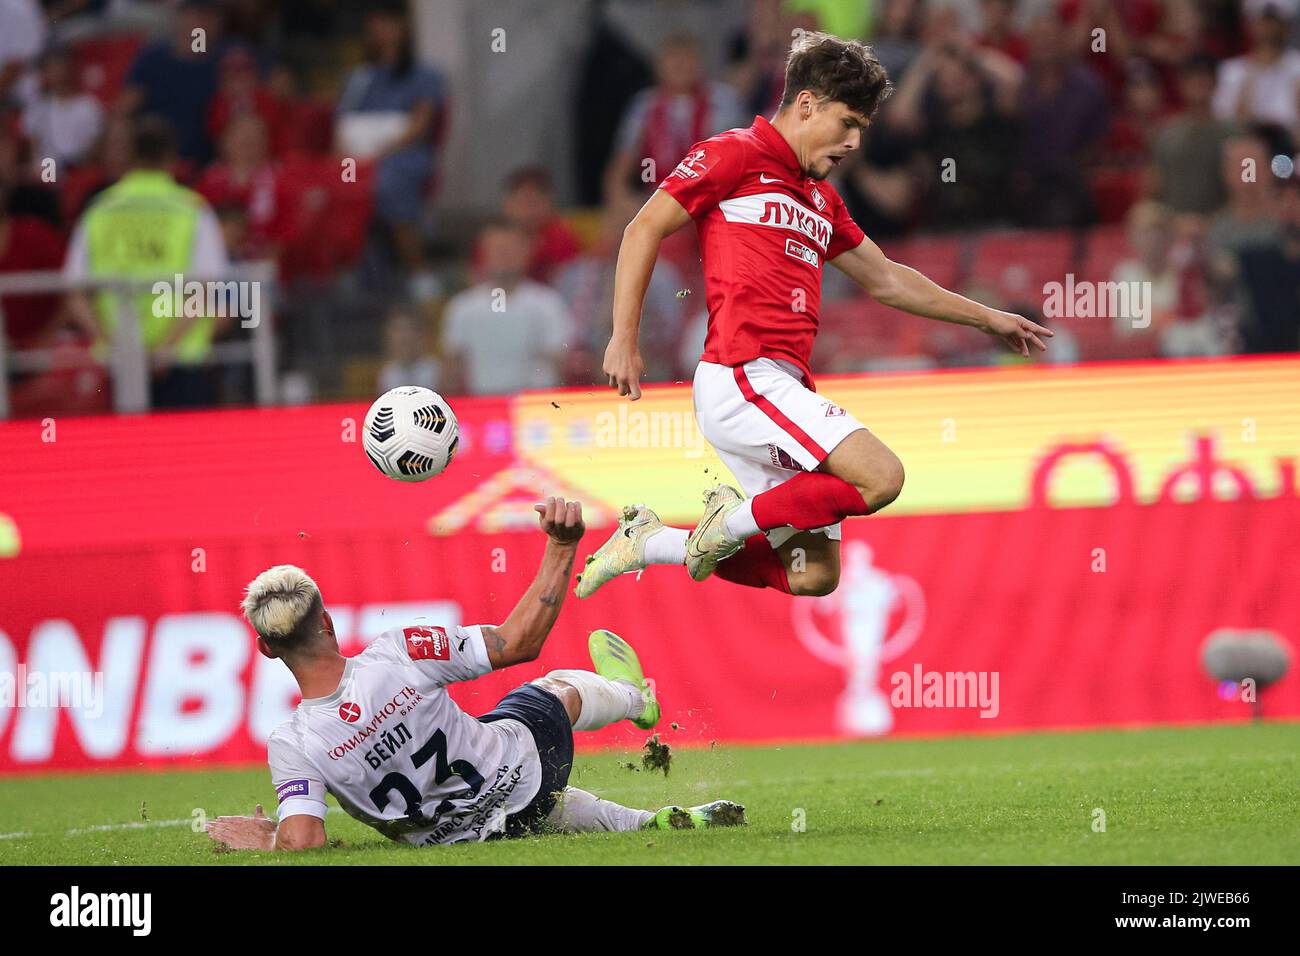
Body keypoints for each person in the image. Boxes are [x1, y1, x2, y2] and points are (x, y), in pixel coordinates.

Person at [579, 31, 1050, 601]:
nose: (853, 141)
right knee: (882, 477)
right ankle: (724, 524)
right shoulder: (733, 153)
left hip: (783, 385)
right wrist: (622, 339)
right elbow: (642, 228)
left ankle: (653, 542)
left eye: (862, 130)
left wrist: (987, 318)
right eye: (847, 122)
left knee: (812, 574)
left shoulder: (821, 199)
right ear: (806, 104)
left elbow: (889, 279)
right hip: (741, 375)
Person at [205, 497, 744, 851]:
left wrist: (268, 839)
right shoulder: (399, 651)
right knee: (549, 690)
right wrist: (561, 545)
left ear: (267, 649)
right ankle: (633, 700)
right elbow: (519, 641)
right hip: (525, 777)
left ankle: (643, 819)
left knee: (522, 794)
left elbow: (305, 840)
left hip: (455, 841)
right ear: (326, 620)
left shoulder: (293, 742)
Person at [63, 116, 231, 408]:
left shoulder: (99, 210)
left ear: (129, 155)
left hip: (117, 362)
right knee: (187, 452)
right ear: (172, 157)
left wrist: (113, 345)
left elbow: (75, 295)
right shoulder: (192, 210)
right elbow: (204, 291)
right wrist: (163, 351)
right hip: (180, 361)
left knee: (123, 452)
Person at [441, 219, 572, 396]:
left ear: (526, 252)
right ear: (484, 254)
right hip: (481, 405)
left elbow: (560, 364)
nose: (504, 256)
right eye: (498, 250)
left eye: (510, 249)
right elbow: (451, 370)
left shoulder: (548, 304)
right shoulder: (462, 308)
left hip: (536, 405)